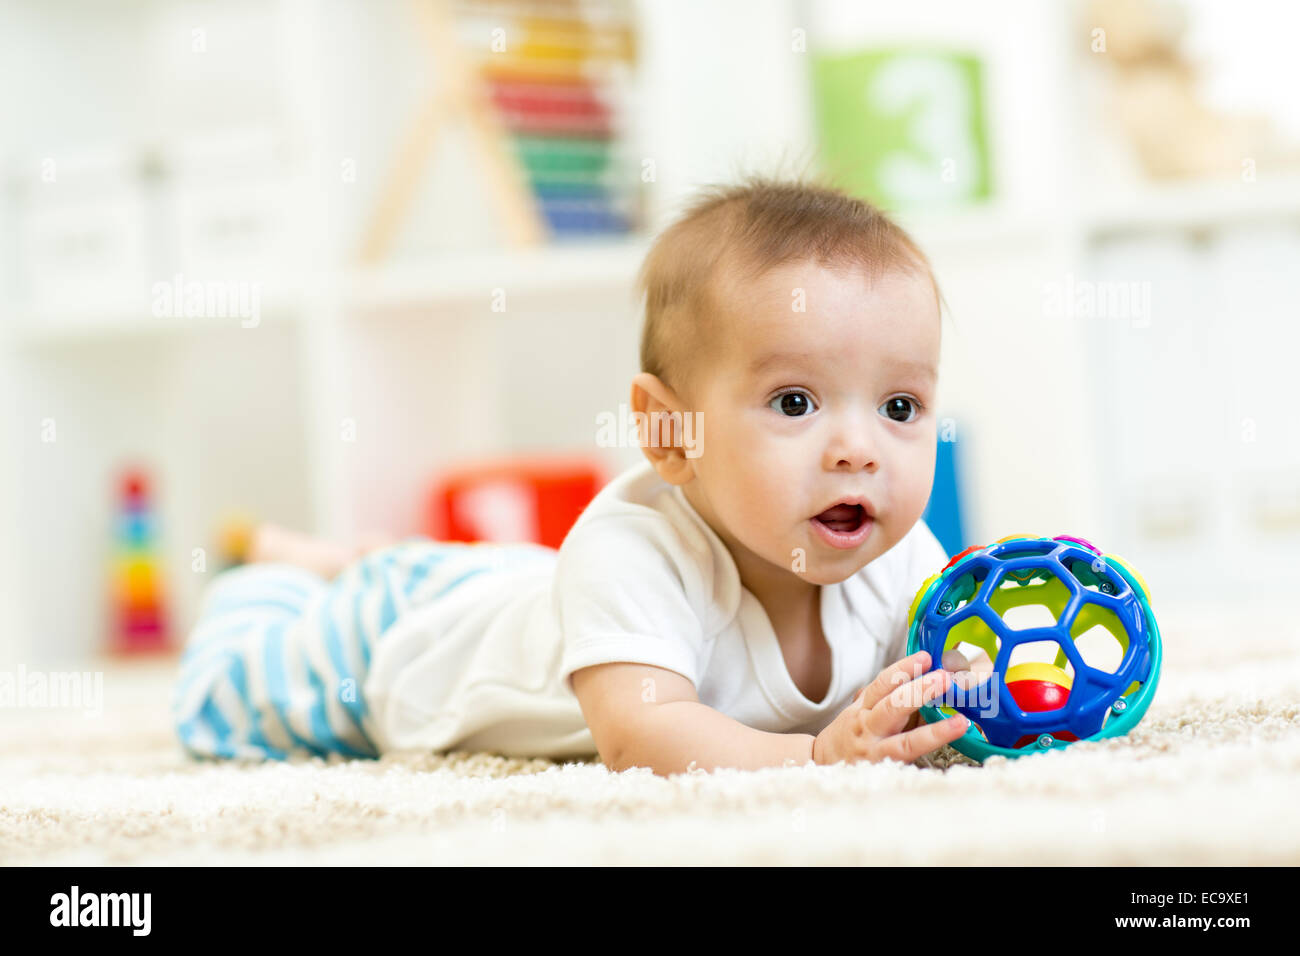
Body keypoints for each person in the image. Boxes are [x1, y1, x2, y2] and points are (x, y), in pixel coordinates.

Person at [171, 176, 986, 774]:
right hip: (400, 643)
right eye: (797, 400)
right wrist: (814, 757)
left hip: (523, 587)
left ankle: (345, 557)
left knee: (479, 580)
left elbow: (954, 679)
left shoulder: (905, 557)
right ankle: (266, 573)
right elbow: (642, 734)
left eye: (901, 407)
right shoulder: (632, 551)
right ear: (670, 433)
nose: (860, 449)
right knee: (224, 703)